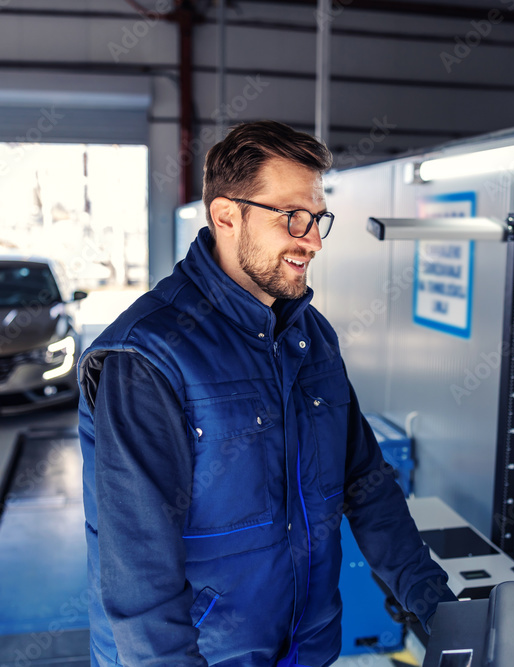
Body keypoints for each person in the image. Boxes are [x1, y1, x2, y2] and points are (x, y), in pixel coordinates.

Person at [78, 120, 453, 667]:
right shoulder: (149, 355)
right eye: (293, 217)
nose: (314, 240)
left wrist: (438, 607)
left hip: (304, 648)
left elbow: (367, 485)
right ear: (227, 216)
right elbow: (139, 573)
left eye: (318, 218)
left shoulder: (311, 338)